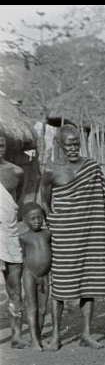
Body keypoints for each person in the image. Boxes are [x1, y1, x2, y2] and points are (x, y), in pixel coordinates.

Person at [41, 125, 105, 350]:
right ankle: (56, 336)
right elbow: (45, 202)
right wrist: (54, 225)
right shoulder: (51, 170)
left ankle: (87, 333)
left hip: (90, 234)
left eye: (76, 144)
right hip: (64, 236)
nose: (73, 149)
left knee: (88, 281)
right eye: (68, 145)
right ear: (59, 145)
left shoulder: (91, 167)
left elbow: (101, 199)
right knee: (60, 285)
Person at [0, 133, 26, 348]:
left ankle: (17, 335)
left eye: (1, 145)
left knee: (14, 286)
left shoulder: (16, 172)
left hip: (9, 233)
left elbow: (18, 200)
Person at [18, 202, 51, 351]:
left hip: (45, 275)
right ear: (25, 220)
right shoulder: (24, 237)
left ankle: (38, 336)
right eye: (33, 219)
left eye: (40, 217)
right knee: (32, 308)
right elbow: (23, 256)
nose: (37, 221)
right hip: (29, 274)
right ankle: (34, 340)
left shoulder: (48, 234)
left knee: (43, 308)